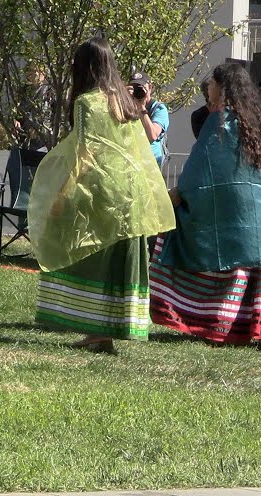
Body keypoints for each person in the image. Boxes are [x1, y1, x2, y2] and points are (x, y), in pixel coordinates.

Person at [28, 38, 174, 354]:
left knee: (78, 248)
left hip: (102, 190)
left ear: (83, 68)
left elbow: (85, 154)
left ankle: (95, 329)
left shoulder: (86, 103)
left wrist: (62, 197)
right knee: (112, 261)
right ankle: (105, 332)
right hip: (131, 195)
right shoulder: (126, 102)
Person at [150, 62, 261, 350]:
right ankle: (256, 325)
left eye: (211, 82)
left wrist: (179, 193)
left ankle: (217, 322)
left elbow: (202, 171)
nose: (207, 87)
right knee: (249, 263)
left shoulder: (220, 121)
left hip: (236, 221)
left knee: (179, 231)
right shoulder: (252, 121)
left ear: (222, 88)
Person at [130, 70, 170, 167]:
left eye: (141, 88)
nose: (138, 92)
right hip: (132, 161)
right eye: (134, 88)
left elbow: (152, 135)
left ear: (150, 88)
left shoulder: (159, 109)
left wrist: (141, 108)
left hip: (151, 165)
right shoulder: (126, 107)